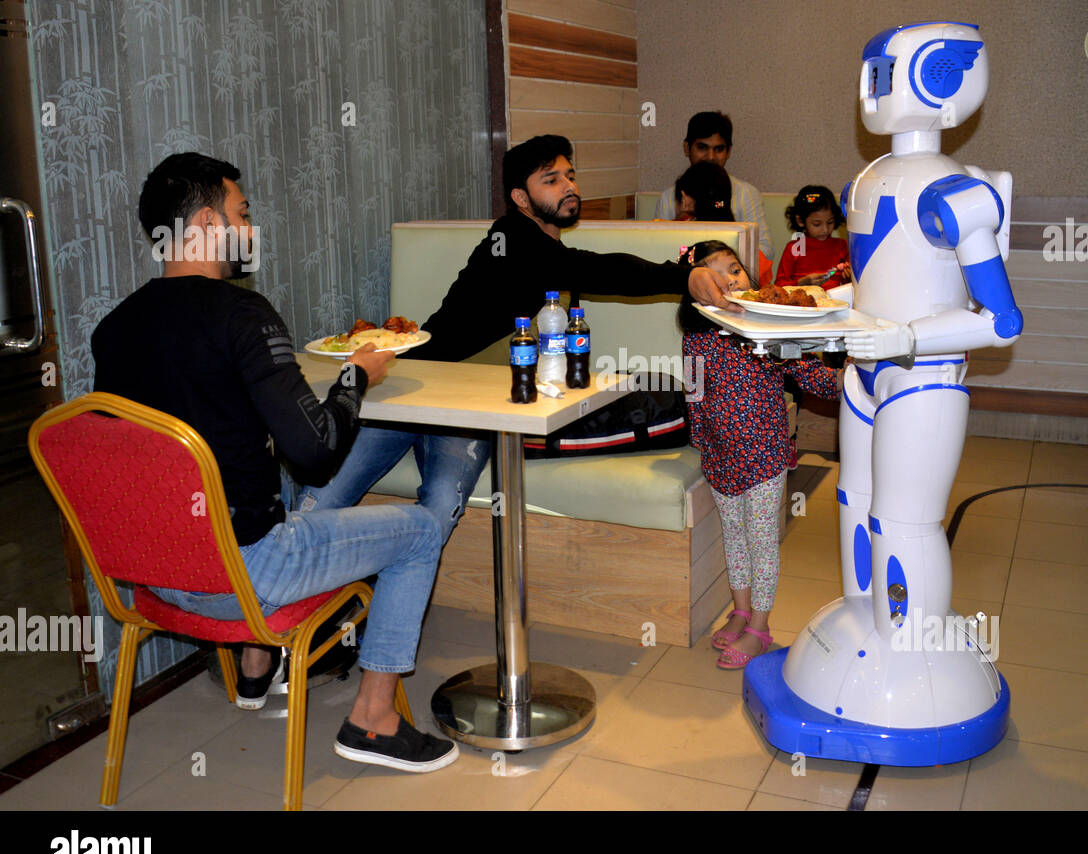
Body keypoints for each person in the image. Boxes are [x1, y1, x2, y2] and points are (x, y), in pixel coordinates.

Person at [91, 152, 457, 772]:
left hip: (150, 576)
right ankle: (372, 721)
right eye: (243, 213)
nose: (251, 229)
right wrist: (355, 376)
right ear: (208, 222)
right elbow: (315, 456)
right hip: (243, 578)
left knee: (254, 489)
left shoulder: (113, 329)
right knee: (421, 528)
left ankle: (255, 669)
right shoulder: (242, 315)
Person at [295, 135, 736, 556]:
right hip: (415, 385)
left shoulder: (543, 253)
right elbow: (596, 269)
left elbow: (573, 275)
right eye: (551, 179)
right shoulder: (509, 241)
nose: (569, 187)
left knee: (440, 508)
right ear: (521, 198)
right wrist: (683, 275)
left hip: (469, 412)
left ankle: (367, 571)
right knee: (328, 495)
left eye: (570, 175)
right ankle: (281, 583)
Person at [677, 240, 839, 669]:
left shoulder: (766, 331)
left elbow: (807, 371)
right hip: (721, 457)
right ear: (694, 289)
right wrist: (703, 444)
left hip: (765, 456)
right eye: (716, 274)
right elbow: (694, 395)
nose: (730, 279)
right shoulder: (696, 338)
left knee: (762, 541)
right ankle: (742, 611)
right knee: (735, 538)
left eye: (735, 269)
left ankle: (761, 628)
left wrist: (847, 382)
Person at [653, 111, 774, 258]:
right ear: (687, 148)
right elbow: (658, 249)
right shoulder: (669, 197)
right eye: (702, 147)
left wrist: (720, 262)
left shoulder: (746, 194)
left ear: (728, 151)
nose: (710, 157)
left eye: (719, 149)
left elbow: (765, 251)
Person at [774, 185, 850, 289]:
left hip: (835, 302)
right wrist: (801, 283)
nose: (825, 230)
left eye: (830, 222)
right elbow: (779, 285)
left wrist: (849, 276)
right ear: (800, 221)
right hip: (802, 303)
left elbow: (853, 285)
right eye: (817, 224)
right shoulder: (795, 248)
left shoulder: (842, 246)